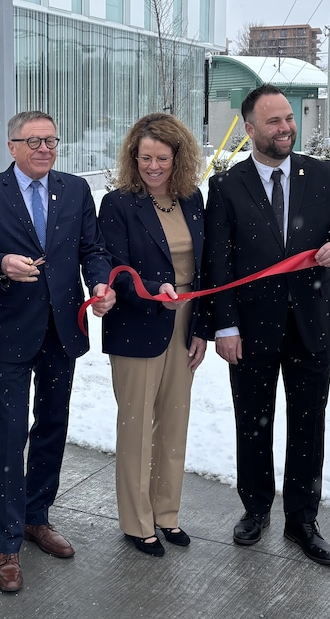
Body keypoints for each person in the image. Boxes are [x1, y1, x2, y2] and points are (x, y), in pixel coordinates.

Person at [202, 84, 330, 566]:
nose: (285, 128)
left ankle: (302, 521)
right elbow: (219, 263)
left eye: (289, 118)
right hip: (251, 332)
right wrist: (225, 328)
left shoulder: (321, 174)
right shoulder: (228, 187)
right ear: (250, 129)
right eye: (273, 121)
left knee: (308, 425)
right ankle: (255, 510)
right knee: (253, 424)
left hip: (314, 325)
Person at [0, 110, 116, 593]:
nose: (44, 149)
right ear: (12, 146)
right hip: (13, 332)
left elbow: (93, 249)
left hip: (62, 329)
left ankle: (37, 517)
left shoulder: (74, 190)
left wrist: (99, 282)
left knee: (52, 427)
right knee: (8, 437)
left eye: (51, 140)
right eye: (33, 142)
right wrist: (2, 265)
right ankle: (7, 544)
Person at [98, 113, 211, 558]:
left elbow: (206, 268)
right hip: (138, 323)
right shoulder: (119, 204)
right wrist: (149, 293)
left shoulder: (192, 199)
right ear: (134, 157)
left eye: (162, 158)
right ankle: (137, 521)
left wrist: (201, 326)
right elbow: (114, 267)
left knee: (174, 425)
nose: (153, 166)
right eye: (145, 157)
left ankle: (167, 514)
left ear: (177, 157)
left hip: (184, 322)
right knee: (136, 428)